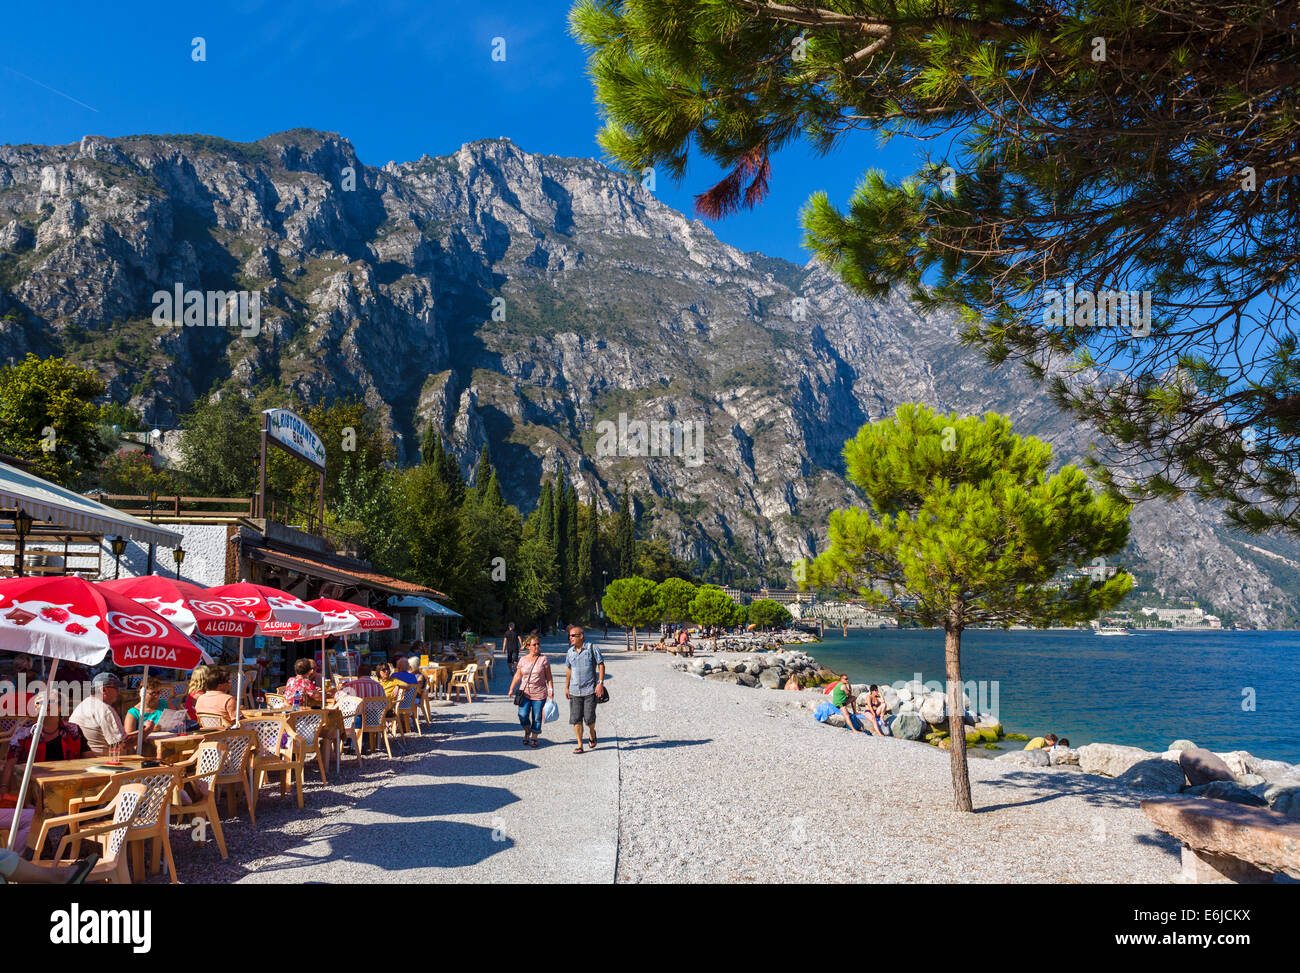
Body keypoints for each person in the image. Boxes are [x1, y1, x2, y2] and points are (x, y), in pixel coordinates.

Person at [1, 697, 90, 851]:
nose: (45, 706)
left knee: (93, 800)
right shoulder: (25, 733)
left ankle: (68, 844)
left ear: (61, 708)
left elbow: (88, 756)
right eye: (40, 703)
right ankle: (45, 848)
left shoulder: (73, 730)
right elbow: (9, 765)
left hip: (69, 784)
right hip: (32, 788)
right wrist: (3, 788)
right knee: (37, 810)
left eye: (51, 702)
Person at [506, 634, 554, 747]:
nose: (537, 646)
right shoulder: (523, 660)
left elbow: (549, 677)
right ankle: (527, 730)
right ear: (528, 647)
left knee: (537, 717)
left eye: (538, 644)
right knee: (522, 715)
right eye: (534, 644)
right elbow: (518, 675)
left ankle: (534, 737)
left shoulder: (543, 659)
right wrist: (511, 688)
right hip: (525, 693)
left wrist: (551, 689)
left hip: (540, 693)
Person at [564, 625, 605, 754]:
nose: (570, 638)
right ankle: (580, 744)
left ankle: (592, 733)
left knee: (589, 719)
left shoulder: (592, 648)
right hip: (574, 691)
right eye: (569, 636)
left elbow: (601, 665)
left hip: (590, 690)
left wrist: (600, 683)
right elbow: (569, 670)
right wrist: (566, 687)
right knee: (576, 719)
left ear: (581, 636)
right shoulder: (570, 652)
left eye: (572, 636)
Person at [68, 673, 128, 756]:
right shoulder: (105, 709)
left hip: (83, 761)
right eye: (115, 688)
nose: (118, 691)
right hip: (104, 763)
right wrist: (145, 732)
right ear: (103, 689)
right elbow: (121, 745)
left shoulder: (82, 705)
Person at [123, 677, 169, 744]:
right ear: (142, 693)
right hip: (144, 748)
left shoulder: (163, 703)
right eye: (153, 693)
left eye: (158, 692)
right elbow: (128, 739)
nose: (156, 696)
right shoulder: (133, 713)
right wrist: (149, 730)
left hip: (166, 742)